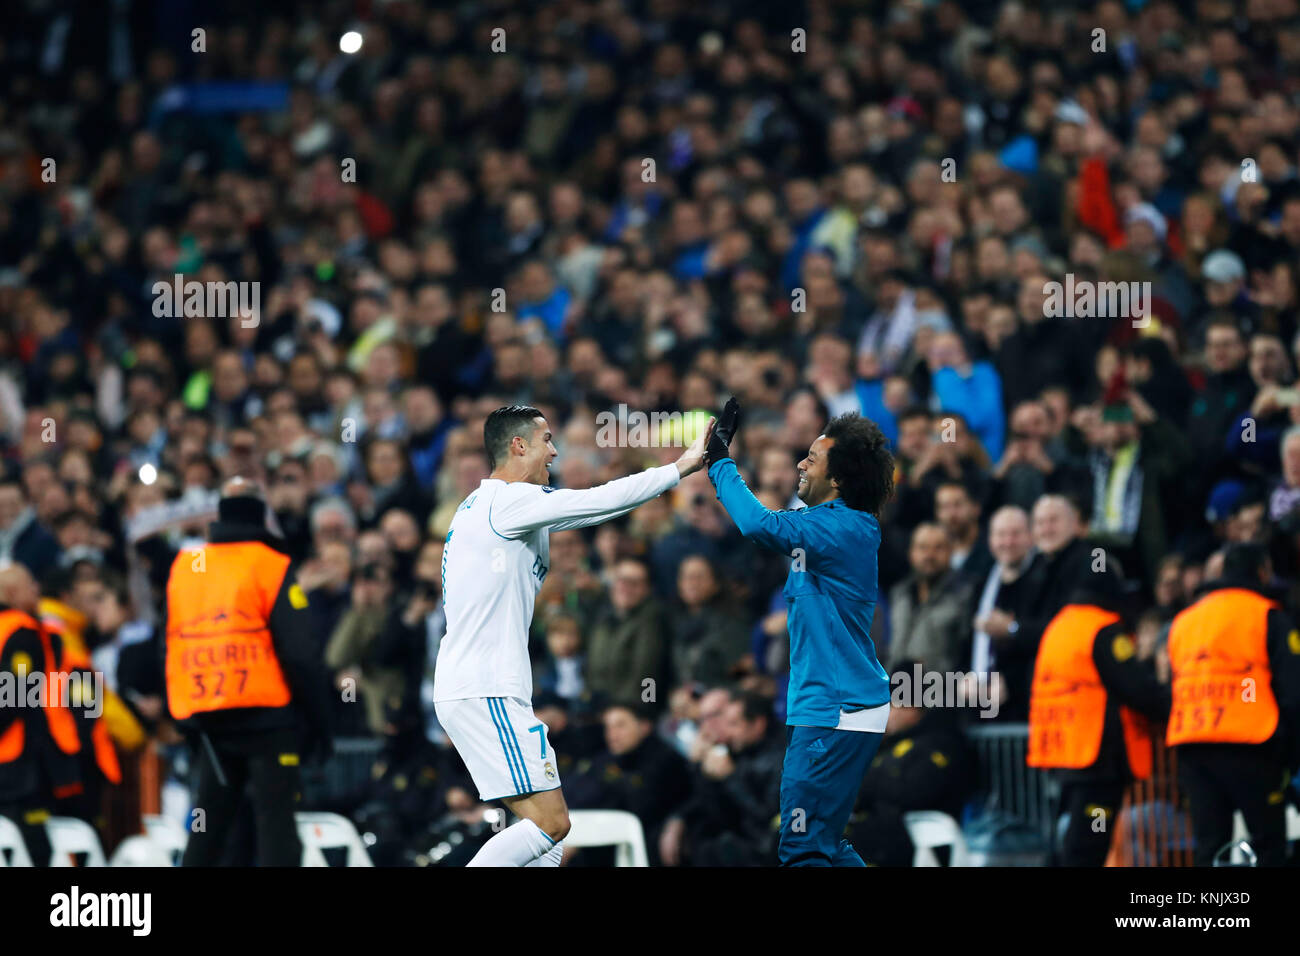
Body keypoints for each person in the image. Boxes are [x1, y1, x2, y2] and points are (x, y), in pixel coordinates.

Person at [432, 404, 713, 867]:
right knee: (552, 824)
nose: (555, 451)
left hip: (478, 686)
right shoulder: (507, 502)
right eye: (547, 440)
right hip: (486, 689)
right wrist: (682, 466)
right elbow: (598, 502)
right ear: (518, 445)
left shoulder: (477, 507)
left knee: (545, 836)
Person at [706, 398, 895, 866]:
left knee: (802, 847)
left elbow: (756, 523)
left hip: (835, 707)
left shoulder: (842, 528)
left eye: (811, 458)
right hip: (839, 704)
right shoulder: (835, 527)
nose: (799, 463)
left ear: (838, 480)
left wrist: (719, 462)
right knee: (824, 842)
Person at [163, 477, 332, 866]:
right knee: (277, 833)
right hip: (266, 720)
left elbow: (168, 643)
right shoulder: (270, 565)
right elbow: (301, 653)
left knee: (208, 831)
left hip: (207, 717)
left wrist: (185, 718)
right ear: (262, 518)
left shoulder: (187, 567)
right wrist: (320, 724)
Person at [1165, 542, 1300, 866]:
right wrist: (1288, 750)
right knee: (1269, 846)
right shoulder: (1268, 616)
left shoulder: (1185, 620)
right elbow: (1292, 691)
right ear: (1263, 571)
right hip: (1251, 745)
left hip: (1194, 745)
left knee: (1210, 848)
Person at [1026, 566, 1169, 865]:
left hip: (1068, 753)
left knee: (1073, 844)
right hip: (1098, 761)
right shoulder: (1102, 629)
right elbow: (1136, 688)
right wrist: (1175, 704)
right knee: (1089, 847)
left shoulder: (1060, 626)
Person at [0, 564, 82, 865]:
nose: (37, 590)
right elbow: (16, 695)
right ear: (12, 592)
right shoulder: (22, 630)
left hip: (16, 763)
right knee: (32, 850)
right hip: (20, 765)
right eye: (29, 585)